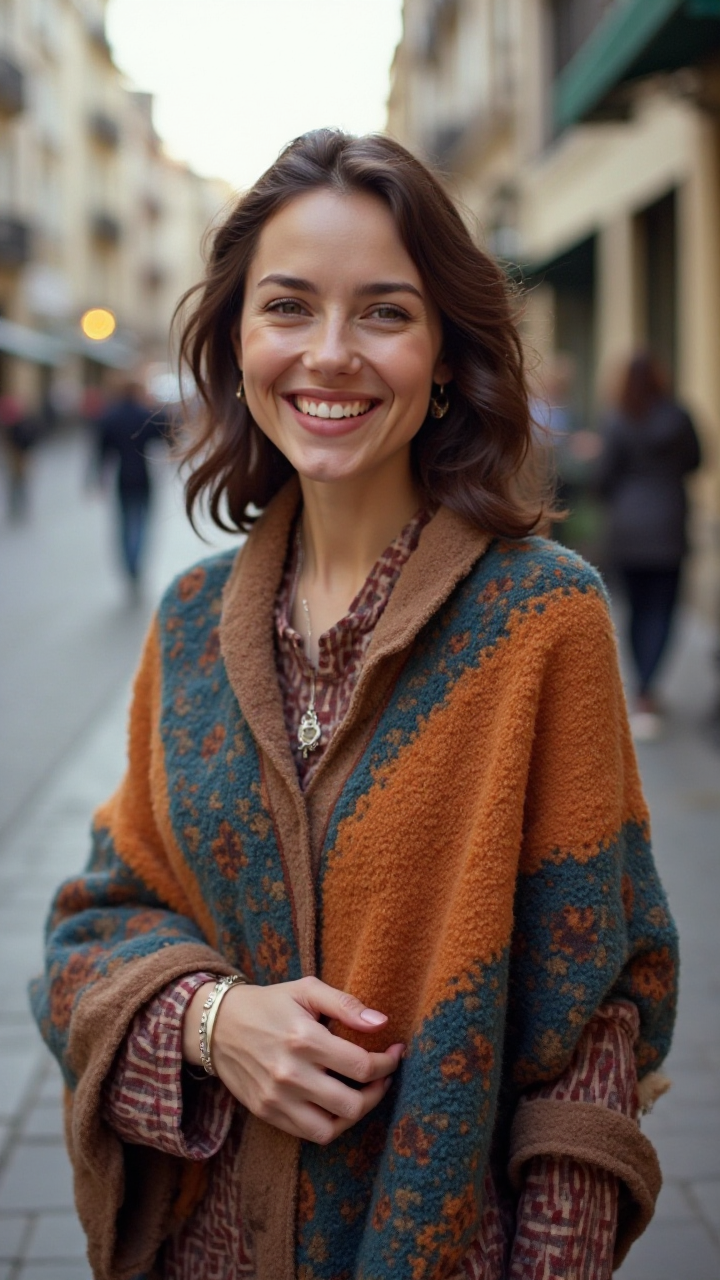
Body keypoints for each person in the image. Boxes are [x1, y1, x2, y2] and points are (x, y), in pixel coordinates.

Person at [31, 132, 677, 1280]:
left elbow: (598, 1025)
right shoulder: (190, 620)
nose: (330, 355)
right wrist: (213, 1018)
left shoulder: (542, 620)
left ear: (444, 354)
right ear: (237, 342)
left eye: (384, 311)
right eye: (288, 306)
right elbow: (91, 926)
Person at [596, 352, 701, 742]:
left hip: (627, 529)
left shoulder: (617, 419)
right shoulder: (679, 417)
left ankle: (642, 689)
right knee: (663, 610)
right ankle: (647, 689)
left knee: (637, 610)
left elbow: (603, 476)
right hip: (669, 528)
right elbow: (696, 461)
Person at [95, 379, 168, 591]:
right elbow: (167, 432)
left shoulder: (112, 417)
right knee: (142, 522)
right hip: (143, 476)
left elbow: (102, 450)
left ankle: (129, 563)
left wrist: (97, 477)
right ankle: (136, 562)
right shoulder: (145, 415)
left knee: (125, 523)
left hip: (122, 477)